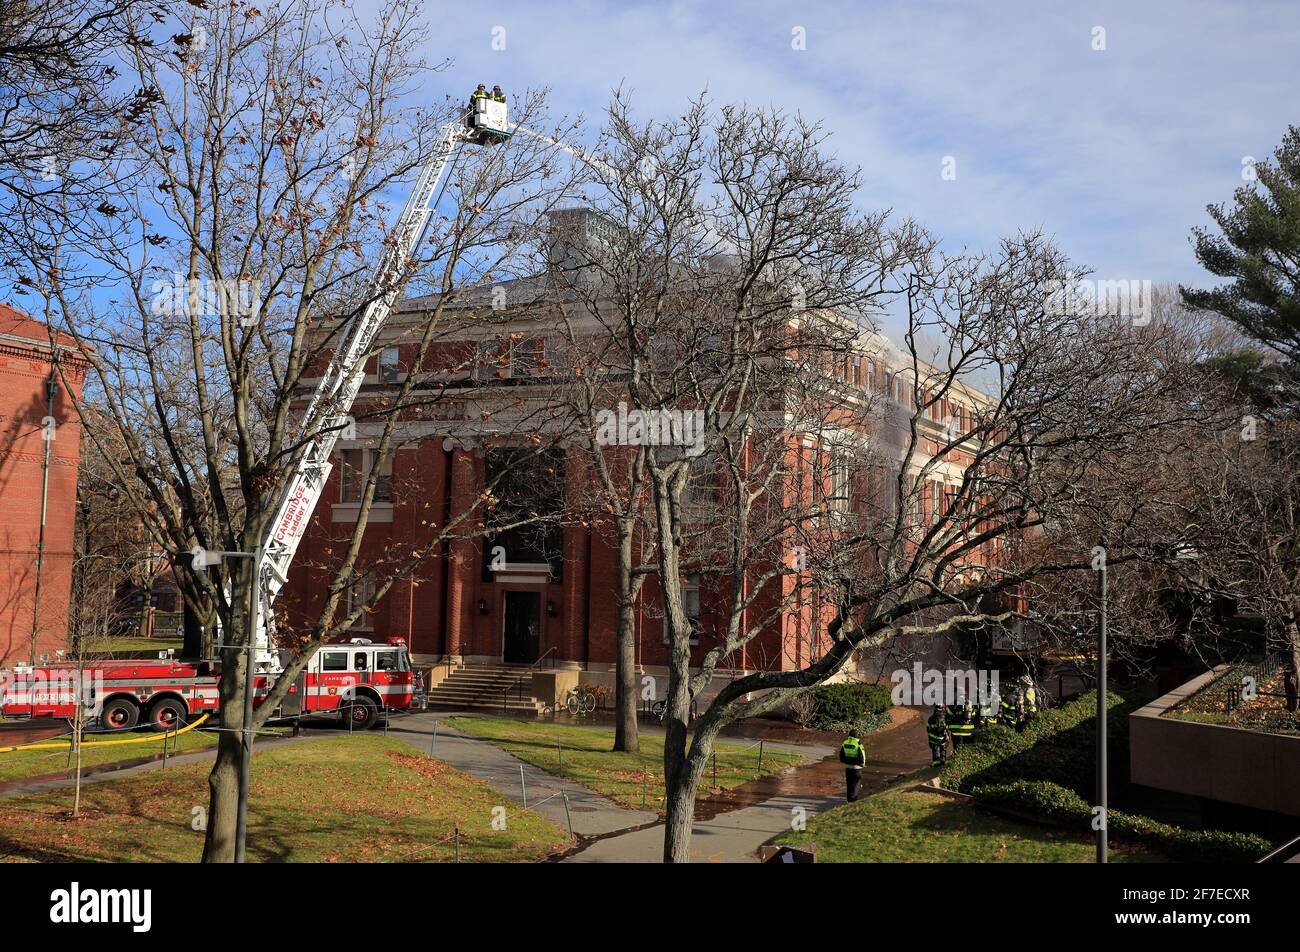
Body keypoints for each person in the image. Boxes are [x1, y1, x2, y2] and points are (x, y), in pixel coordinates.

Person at [838, 733, 867, 802]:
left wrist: (847, 762)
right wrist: (862, 765)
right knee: (855, 785)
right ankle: (853, 801)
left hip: (848, 767)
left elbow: (841, 756)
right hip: (856, 768)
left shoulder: (845, 743)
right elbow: (862, 757)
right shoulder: (858, 744)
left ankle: (849, 800)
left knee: (849, 784)